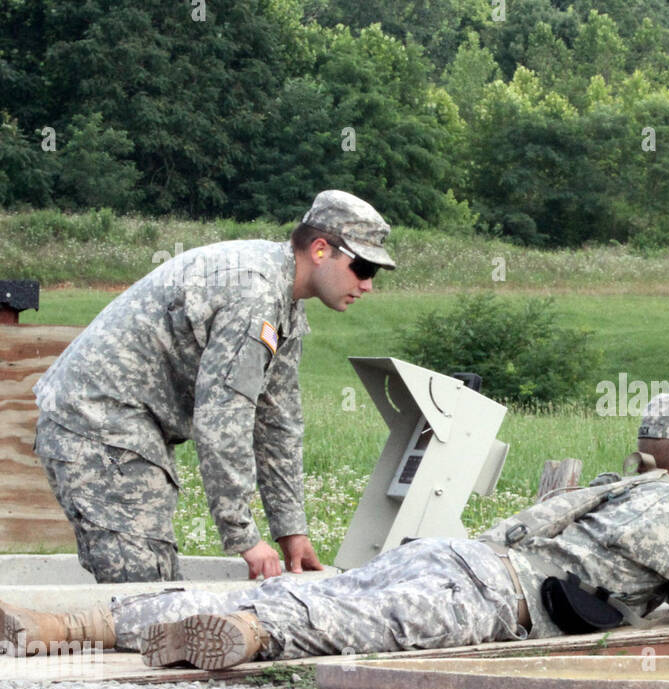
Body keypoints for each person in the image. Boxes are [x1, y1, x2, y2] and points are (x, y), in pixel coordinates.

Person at [2, 396, 669, 667]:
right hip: (491, 595)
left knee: (328, 589)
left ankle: (72, 623)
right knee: (343, 624)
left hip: (461, 553)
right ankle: (246, 632)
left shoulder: (612, 492)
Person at [32, 190, 396, 584]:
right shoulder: (253, 293)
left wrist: (291, 530)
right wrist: (243, 535)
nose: (368, 285)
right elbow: (223, 418)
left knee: (155, 585)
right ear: (321, 250)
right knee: (140, 588)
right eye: (362, 268)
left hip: (129, 427)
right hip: (96, 424)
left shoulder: (284, 300)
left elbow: (277, 422)